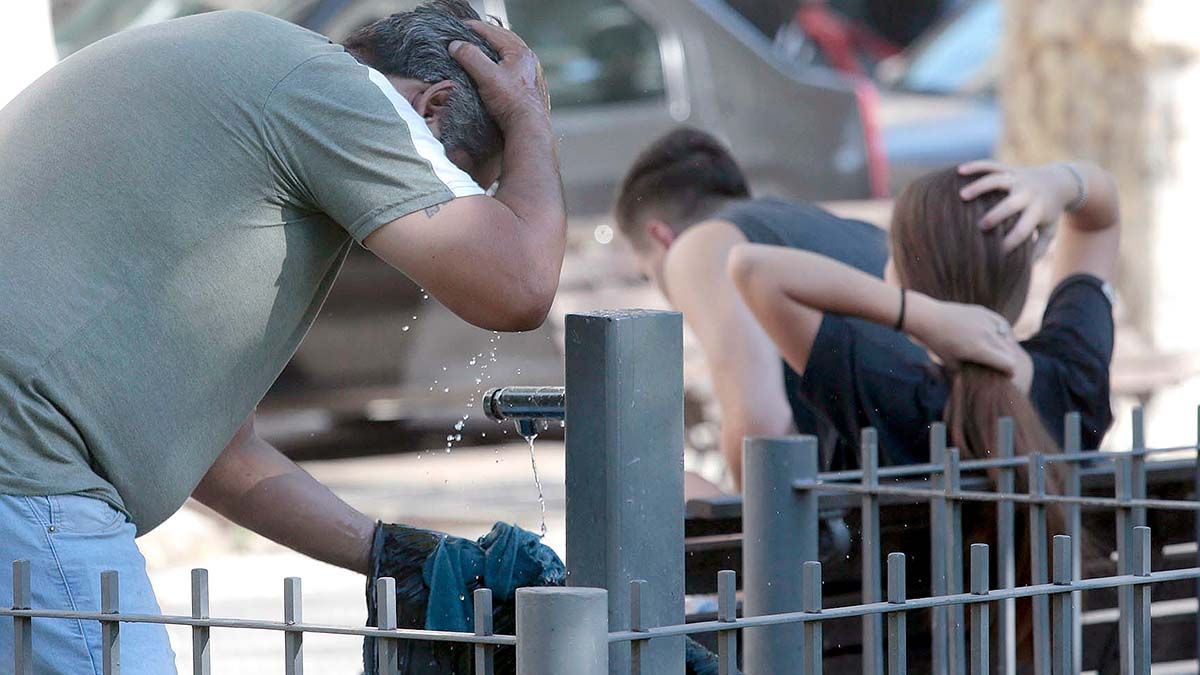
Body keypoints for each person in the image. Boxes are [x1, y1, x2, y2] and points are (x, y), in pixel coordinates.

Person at [0, 1, 564, 671]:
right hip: (27, 467)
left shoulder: (250, 80)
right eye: (458, 182)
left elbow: (220, 452)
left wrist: (392, 554)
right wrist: (528, 115)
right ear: (432, 107)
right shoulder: (338, 93)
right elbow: (518, 287)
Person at [729, 159, 1118, 467]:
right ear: (1025, 271)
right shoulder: (1074, 375)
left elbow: (751, 269)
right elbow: (1099, 222)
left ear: (899, 277)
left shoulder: (886, 392)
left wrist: (919, 314)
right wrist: (1055, 182)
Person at [614, 126, 923, 486]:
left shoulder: (699, 245)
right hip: (942, 473)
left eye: (648, 274)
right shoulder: (839, 229)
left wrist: (748, 518)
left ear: (661, 237)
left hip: (886, 497)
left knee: (657, 484)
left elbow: (761, 428)